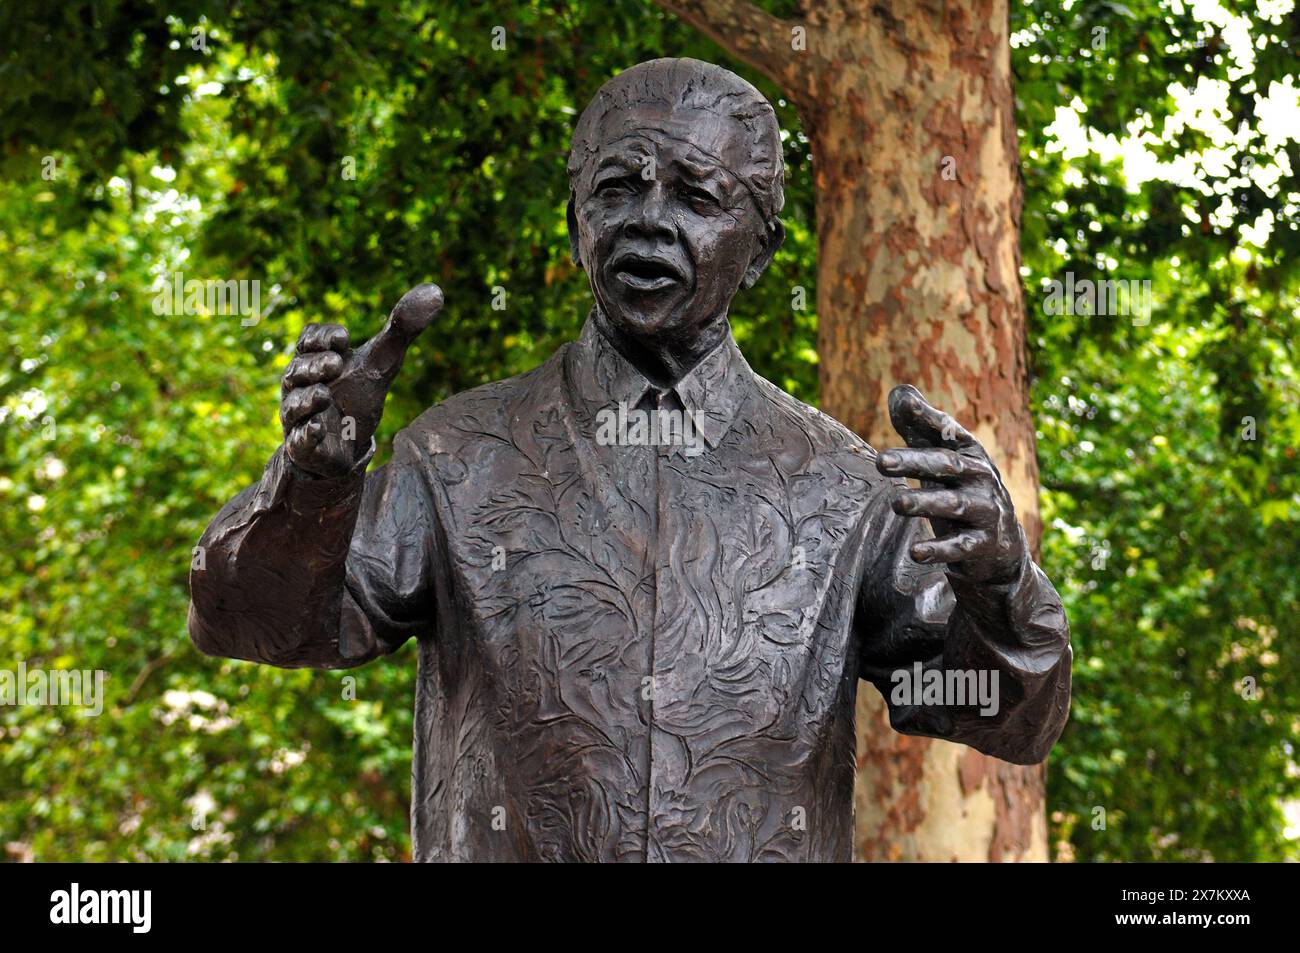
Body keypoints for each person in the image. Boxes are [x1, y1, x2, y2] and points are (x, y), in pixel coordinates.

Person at [189, 57, 1071, 862]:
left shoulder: (844, 491)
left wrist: (1001, 586)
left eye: (696, 195)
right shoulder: (457, 456)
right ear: (577, 220)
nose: (650, 219)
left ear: (760, 248)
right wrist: (313, 486)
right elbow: (257, 623)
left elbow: (1013, 717)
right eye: (619, 188)